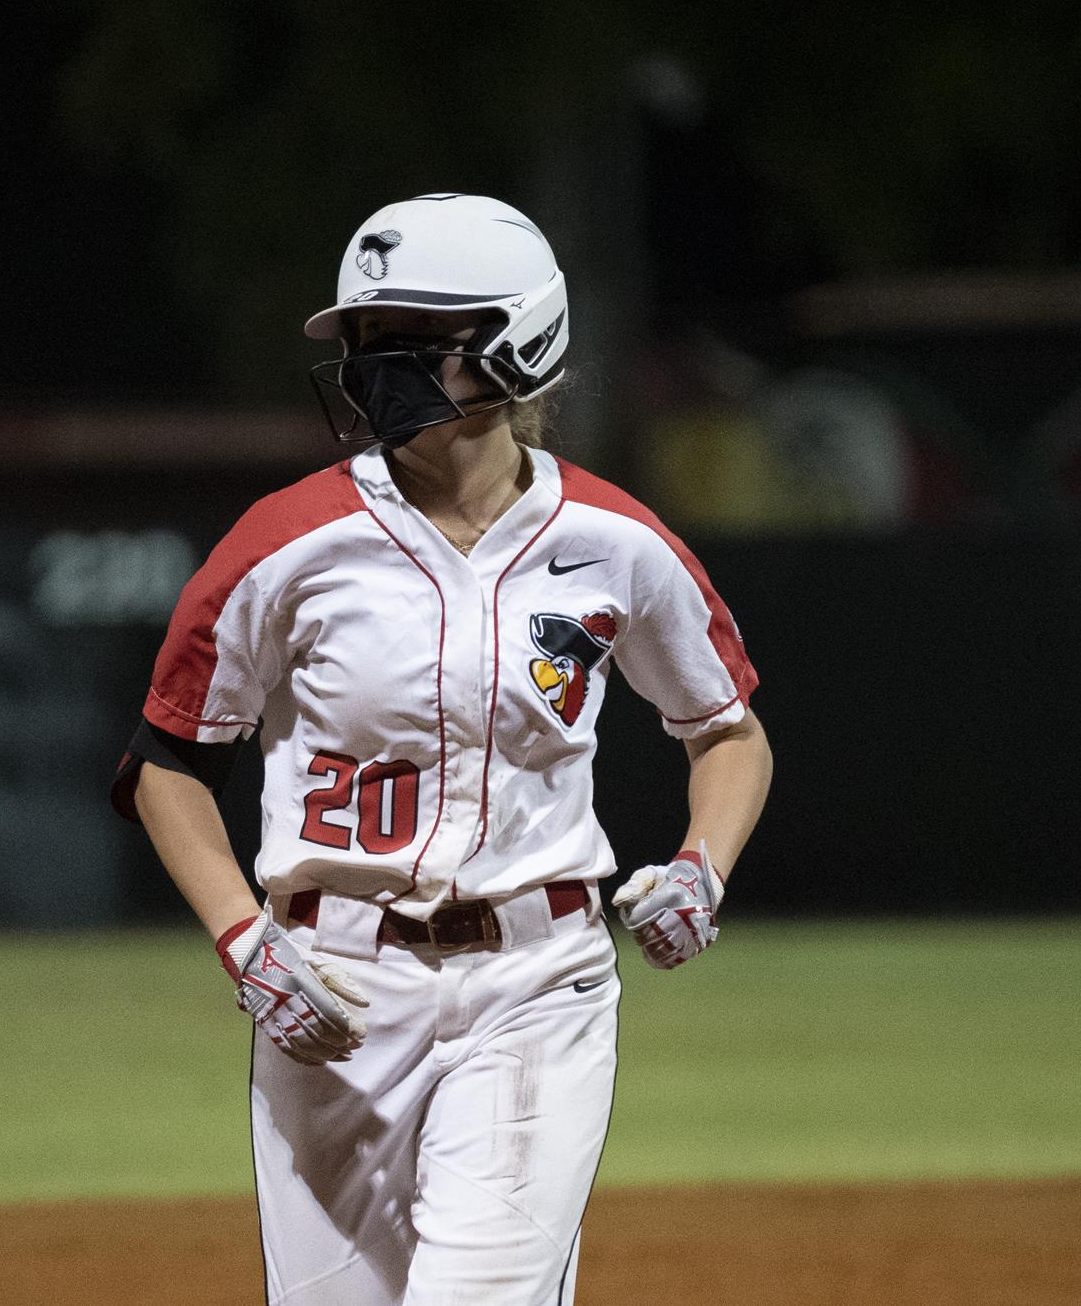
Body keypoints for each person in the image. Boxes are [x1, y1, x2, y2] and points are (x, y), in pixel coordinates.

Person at [112, 193, 773, 1305]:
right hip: (330, 993)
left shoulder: (615, 544)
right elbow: (166, 761)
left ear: (518, 341)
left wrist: (703, 864)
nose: (376, 365)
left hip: (534, 980)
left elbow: (728, 731)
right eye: (366, 340)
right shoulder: (284, 545)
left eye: (414, 337)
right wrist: (242, 941)